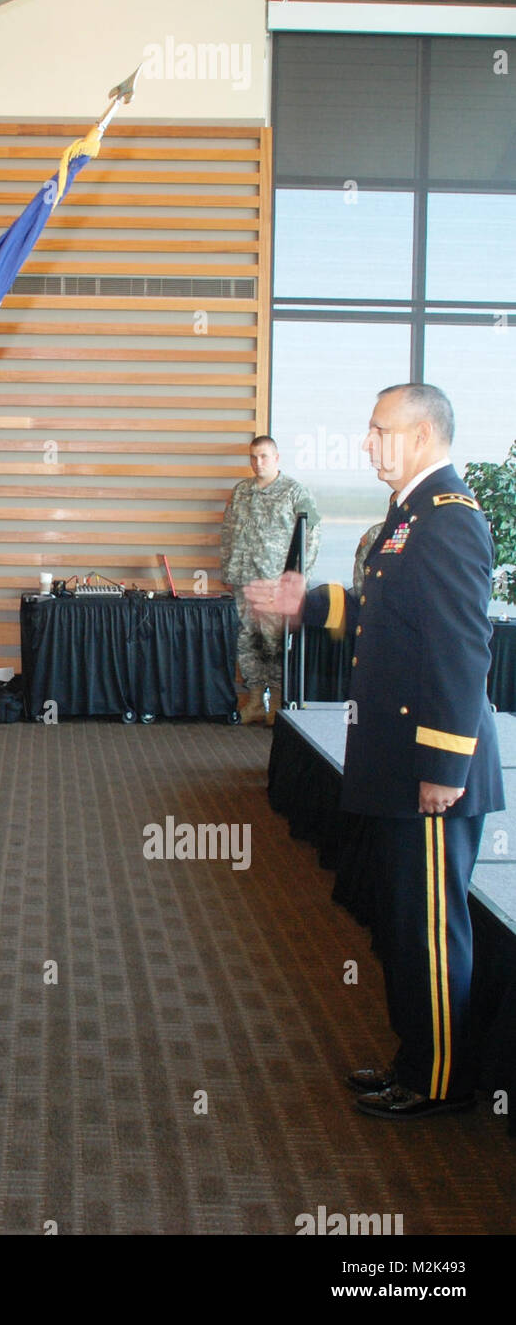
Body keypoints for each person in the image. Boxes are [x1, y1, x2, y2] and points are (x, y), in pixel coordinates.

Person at [248, 383, 504, 1120]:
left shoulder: (448, 521)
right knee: (401, 922)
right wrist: (314, 604)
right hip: (399, 761)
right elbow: (388, 619)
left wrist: (443, 768)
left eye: (377, 429)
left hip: (429, 771)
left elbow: (459, 652)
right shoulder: (410, 516)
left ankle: (439, 1080)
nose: (365, 442)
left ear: (420, 435)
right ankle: (414, 1057)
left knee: (426, 931)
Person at [220, 435, 320, 723]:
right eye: (253, 457)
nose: (258, 463)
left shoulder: (295, 492)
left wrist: (299, 578)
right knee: (247, 639)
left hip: (275, 581)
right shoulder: (241, 491)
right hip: (244, 579)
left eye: (264, 456)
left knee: (274, 641)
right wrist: (227, 569)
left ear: (276, 458)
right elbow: (228, 531)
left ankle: (276, 703)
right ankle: (253, 701)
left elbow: (312, 536)